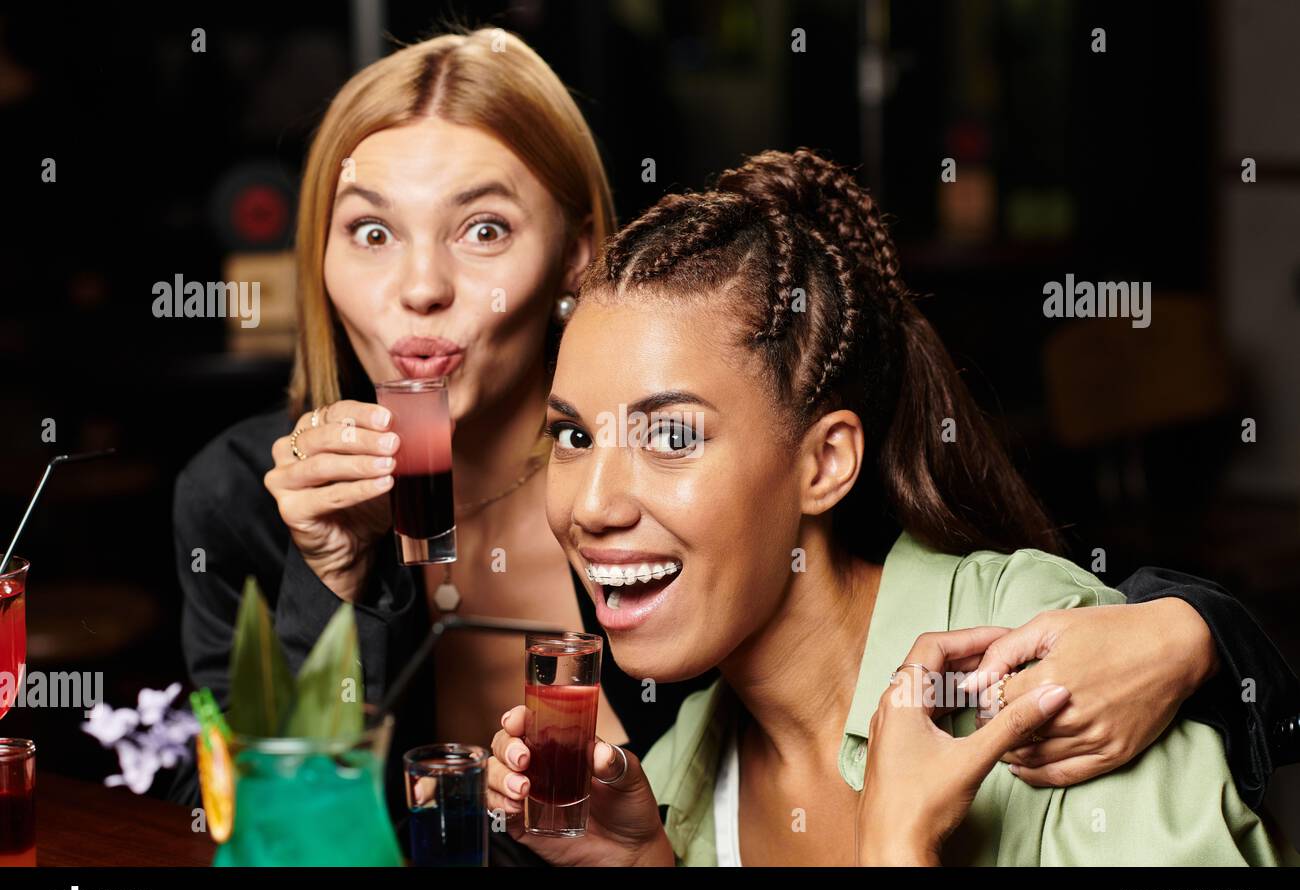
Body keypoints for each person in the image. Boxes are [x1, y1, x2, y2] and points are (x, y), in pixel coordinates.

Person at [173, 29, 1296, 835]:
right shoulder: (237, 499)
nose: (416, 288)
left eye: (480, 227)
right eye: (368, 231)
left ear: (576, 257)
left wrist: (1189, 630)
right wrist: (333, 581)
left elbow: (965, 583)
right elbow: (239, 822)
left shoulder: (727, 496)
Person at [484, 148, 1298, 865]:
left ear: (825, 463)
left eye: (671, 435)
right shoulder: (675, 781)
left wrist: (901, 847)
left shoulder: (1054, 664)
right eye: (574, 437)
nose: (589, 505)